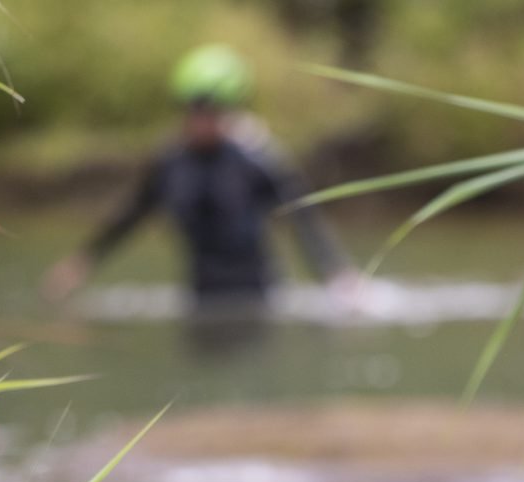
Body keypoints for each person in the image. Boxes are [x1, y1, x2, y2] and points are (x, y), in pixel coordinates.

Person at [40, 45, 360, 315]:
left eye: (211, 109)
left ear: (231, 108)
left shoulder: (258, 159)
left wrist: (337, 275)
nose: (200, 119)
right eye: (192, 108)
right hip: (200, 296)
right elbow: (133, 213)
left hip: (258, 297)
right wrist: (82, 262)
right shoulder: (172, 162)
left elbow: (303, 217)